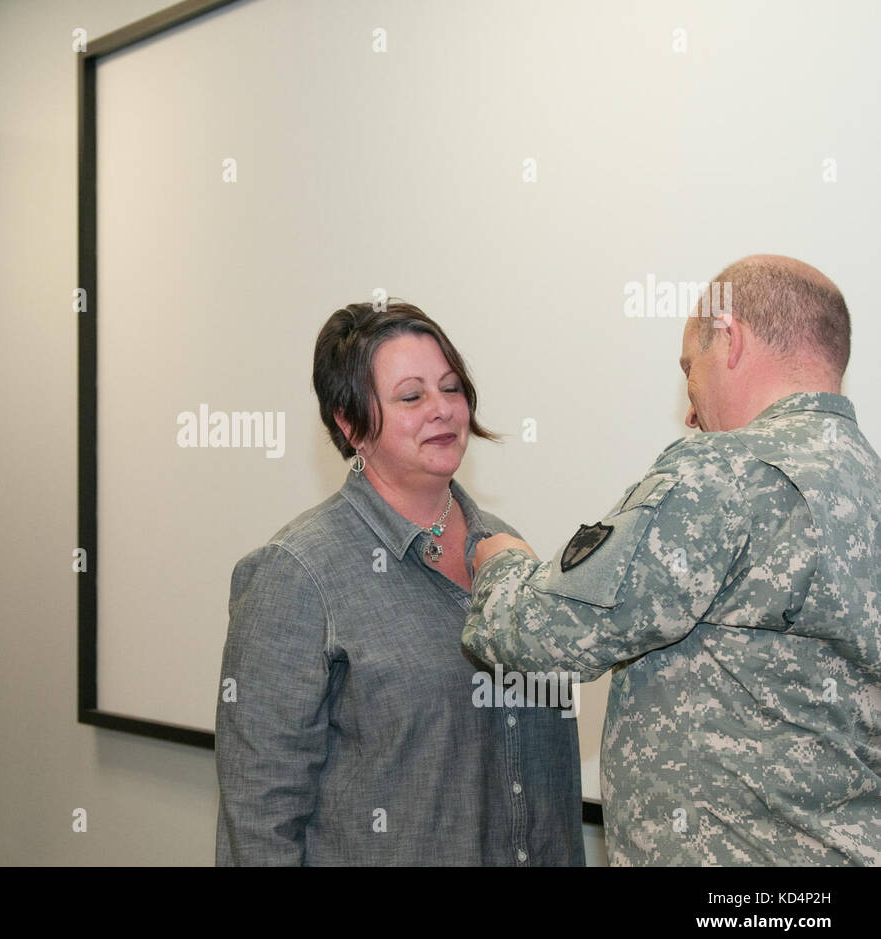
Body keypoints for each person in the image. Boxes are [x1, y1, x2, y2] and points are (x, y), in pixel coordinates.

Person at [465, 255, 881, 865]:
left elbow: (544, 637)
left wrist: (502, 564)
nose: (691, 412)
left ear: (730, 340)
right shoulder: (866, 484)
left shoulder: (723, 470)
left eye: (691, 369)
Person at [215, 301, 584, 865]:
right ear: (350, 423)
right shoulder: (296, 572)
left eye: (452, 388)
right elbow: (260, 814)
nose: (443, 410)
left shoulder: (509, 553)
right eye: (411, 397)